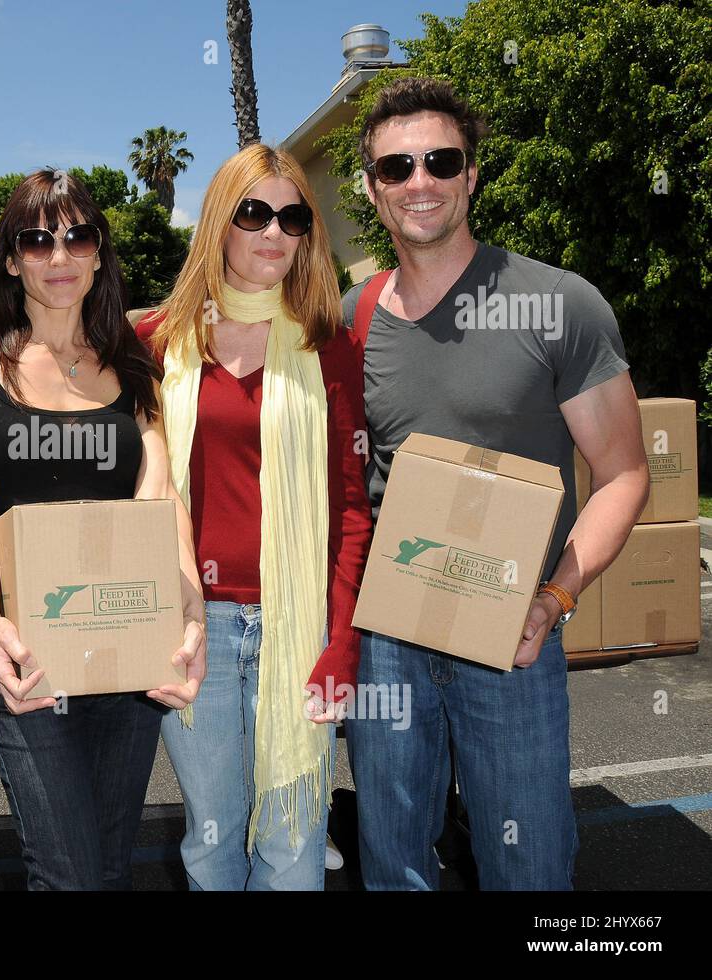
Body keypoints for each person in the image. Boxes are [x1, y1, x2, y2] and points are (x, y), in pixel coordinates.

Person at [343, 77, 649, 890]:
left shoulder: (559, 304)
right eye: (397, 167)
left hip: (514, 633)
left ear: (472, 174)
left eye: (441, 160)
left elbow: (623, 474)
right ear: (372, 189)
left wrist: (556, 597)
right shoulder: (352, 317)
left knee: (530, 866)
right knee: (395, 865)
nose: (421, 181)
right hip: (389, 640)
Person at [0, 169, 206, 890]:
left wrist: (190, 612)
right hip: (30, 656)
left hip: (129, 645)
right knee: (68, 873)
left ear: (98, 253)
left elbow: (160, 495)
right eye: (37, 238)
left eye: (77, 236)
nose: (59, 256)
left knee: (111, 868)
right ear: (11, 258)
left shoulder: (133, 365)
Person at [136, 143, 372, 890]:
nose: (274, 232)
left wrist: (342, 644)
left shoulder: (328, 345)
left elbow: (351, 511)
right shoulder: (157, 343)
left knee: (293, 849)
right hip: (191, 629)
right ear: (219, 223)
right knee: (210, 842)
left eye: (292, 216)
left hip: (294, 629)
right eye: (254, 213)